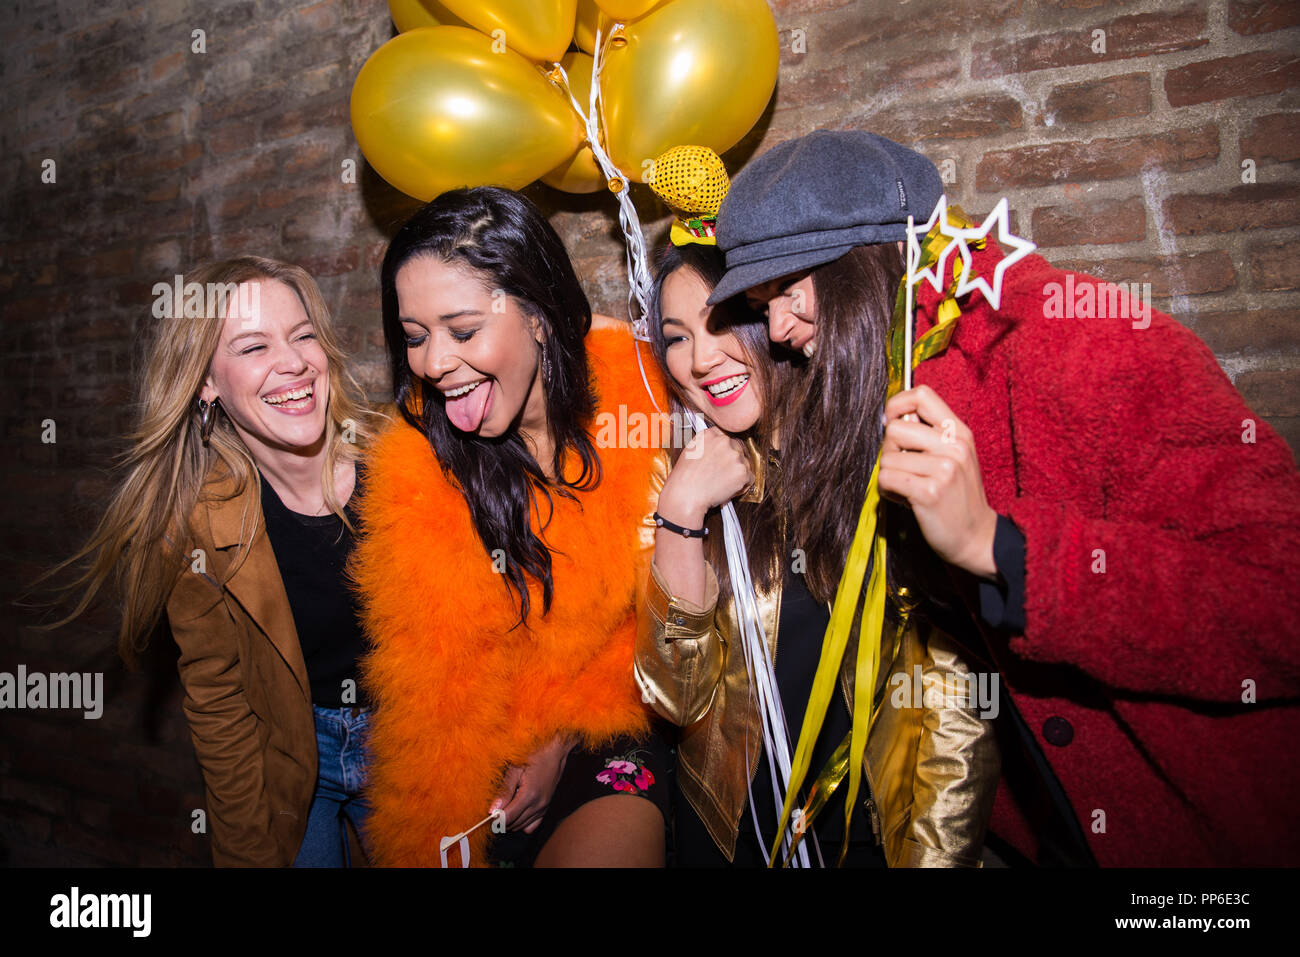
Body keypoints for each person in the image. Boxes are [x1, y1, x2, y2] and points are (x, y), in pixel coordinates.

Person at [709, 129, 1300, 866]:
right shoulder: (890, 381)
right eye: (762, 304)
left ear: (869, 264)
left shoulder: (1070, 338)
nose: (779, 331)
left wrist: (1002, 548)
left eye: (787, 292)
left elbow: (1280, 600)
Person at [636, 234, 999, 867]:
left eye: (724, 321)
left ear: (777, 317)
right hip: (727, 834)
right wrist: (681, 513)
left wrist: (935, 858)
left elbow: (952, 696)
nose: (700, 360)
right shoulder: (671, 477)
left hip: (869, 840)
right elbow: (675, 697)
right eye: (675, 337)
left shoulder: (889, 457)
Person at [351, 186, 669, 867]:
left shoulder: (635, 403)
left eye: (463, 330)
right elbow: (432, 699)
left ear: (537, 316)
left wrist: (560, 733)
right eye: (414, 336)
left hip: (612, 720)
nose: (433, 363)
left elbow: (655, 610)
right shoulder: (418, 471)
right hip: (490, 764)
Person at [43, 256, 382, 866]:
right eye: (254, 346)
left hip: (415, 743)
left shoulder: (403, 473)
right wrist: (245, 852)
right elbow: (219, 702)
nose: (293, 361)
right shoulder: (196, 528)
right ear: (207, 383)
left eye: (303, 335)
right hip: (293, 754)